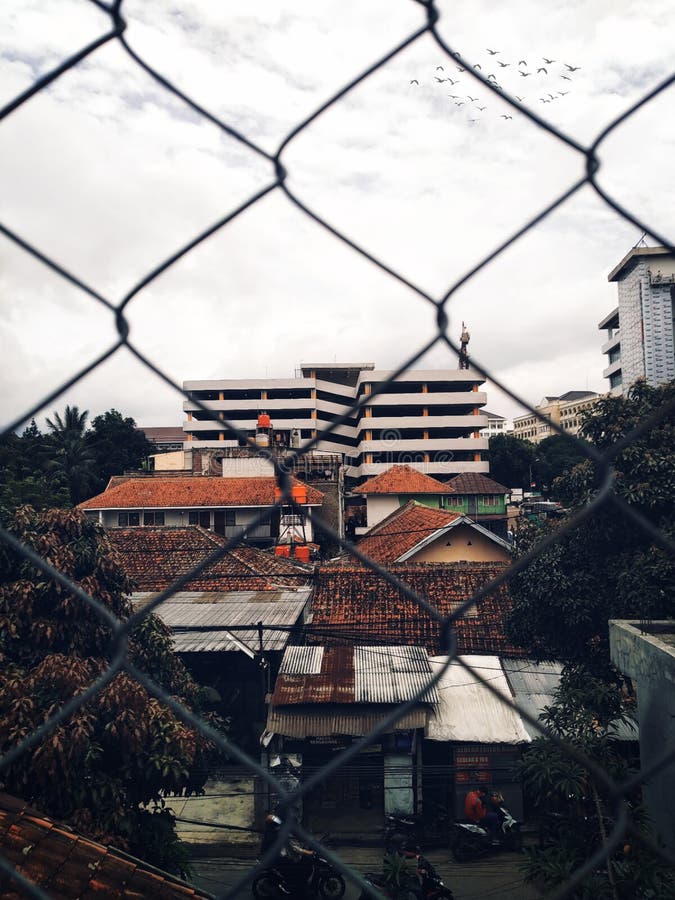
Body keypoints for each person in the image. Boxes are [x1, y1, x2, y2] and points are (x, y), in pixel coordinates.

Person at [259, 813, 315, 896]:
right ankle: (294, 887)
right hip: (277, 858)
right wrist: (307, 851)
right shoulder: (276, 833)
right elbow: (294, 847)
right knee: (300, 867)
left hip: (276, 856)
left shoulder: (273, 831)